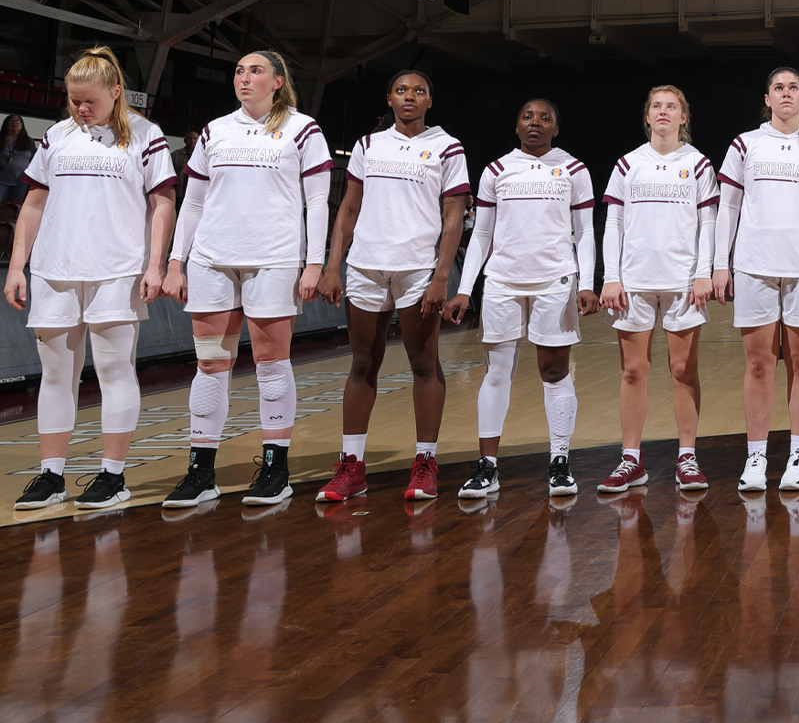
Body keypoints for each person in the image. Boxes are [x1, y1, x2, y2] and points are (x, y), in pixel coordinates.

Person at [5, 49, 176, 510]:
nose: (80, 109)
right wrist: (18, 265)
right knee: (56, 376)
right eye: (74, 100)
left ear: (116, 92)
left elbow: (163, 203)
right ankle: (51, 475)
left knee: (114, 370)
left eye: (90, 101)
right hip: (54, 268)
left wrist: (155, 264)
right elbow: (34, 203)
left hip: (117, 270)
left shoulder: (146, 134)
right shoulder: (58, 135)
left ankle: (113, 475)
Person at [161, 50, 332, 507]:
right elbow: (192, 203)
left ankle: (276, 468)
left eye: (255, 70)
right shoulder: (215, 131)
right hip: (211, 260)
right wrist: (176, 262)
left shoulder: (303, 128)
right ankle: (201, 472)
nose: (244, 77)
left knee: (271, 366)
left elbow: (317, 202)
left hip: (273, 260)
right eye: (239, 70)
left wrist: (314, 263)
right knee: (210, 365)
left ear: (278, 80)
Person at [313, 71, 470, 502]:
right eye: (402, 90)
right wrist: (332, 266)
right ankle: (351, 467)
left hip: (418, 269)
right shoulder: (369, 144)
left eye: (420, 90)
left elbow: (453, 215)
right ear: (390, 98)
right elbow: (349, 207)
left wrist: (441, 276)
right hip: (365, 265)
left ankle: (425, 463)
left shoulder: (447, 146)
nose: (410, 97)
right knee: (362, 364)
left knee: (424, 364)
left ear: (429, 101)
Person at [444, 99, 599, 498]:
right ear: (516, 126)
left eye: (545, 118)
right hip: (502, 282)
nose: (536, 123)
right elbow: (481, 235)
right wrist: (465, 289)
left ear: (556, 129)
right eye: (528, 117)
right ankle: (487, 466)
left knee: (553, 372)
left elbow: (585, 232)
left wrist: (586, 282)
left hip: (555, 280)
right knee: (496, 373)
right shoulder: (497, 170)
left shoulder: (574, 169)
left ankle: (560, 462)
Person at [714, 67, 799, 493]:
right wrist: (720, 264)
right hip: (754, 266)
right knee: (758, 365)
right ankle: (755, 457)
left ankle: (798, 456)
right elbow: (728, 208)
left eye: (793, 88)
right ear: (767, 98)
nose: (786, 94)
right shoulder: (745, 144)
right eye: (778, 88)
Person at [597, 86, 718, 493]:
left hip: (684, 281)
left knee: (683, 370)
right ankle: (631, 459)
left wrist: (704, 273)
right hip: (634, 282)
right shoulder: (628, 163)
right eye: (656, 106)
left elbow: (709, 224)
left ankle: (687, 456)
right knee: (634, 371)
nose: (663, 112)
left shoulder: (698, 164)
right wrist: (610, 276)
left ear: (684, 117)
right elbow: (613, 223)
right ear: (647, 116)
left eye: (672, 106)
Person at [0, 114, 34, 206]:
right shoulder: (1, 139)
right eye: (12, 121)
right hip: (2, 180)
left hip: (21, 182)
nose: (15, 123)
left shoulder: (29, 141)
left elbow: (32, 160)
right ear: (6, 124)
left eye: (18, 121)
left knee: (15, 207)